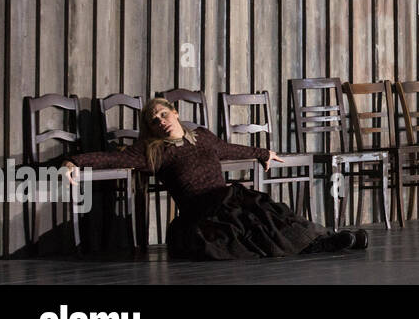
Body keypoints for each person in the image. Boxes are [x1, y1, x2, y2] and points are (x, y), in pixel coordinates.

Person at [64, 97, 368, 259]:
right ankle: (321, 245)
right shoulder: (153, 152)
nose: (160, 121)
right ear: (151, 129)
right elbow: (111, 158)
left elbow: (228, 148)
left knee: (270, 212)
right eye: (153, 121)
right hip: (201, 212)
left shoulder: (203, 136)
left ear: (174, 112)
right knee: (247, 231)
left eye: (163, 114)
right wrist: (73, 161)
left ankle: (325, 238)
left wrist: (262, 152)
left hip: (226, 197)